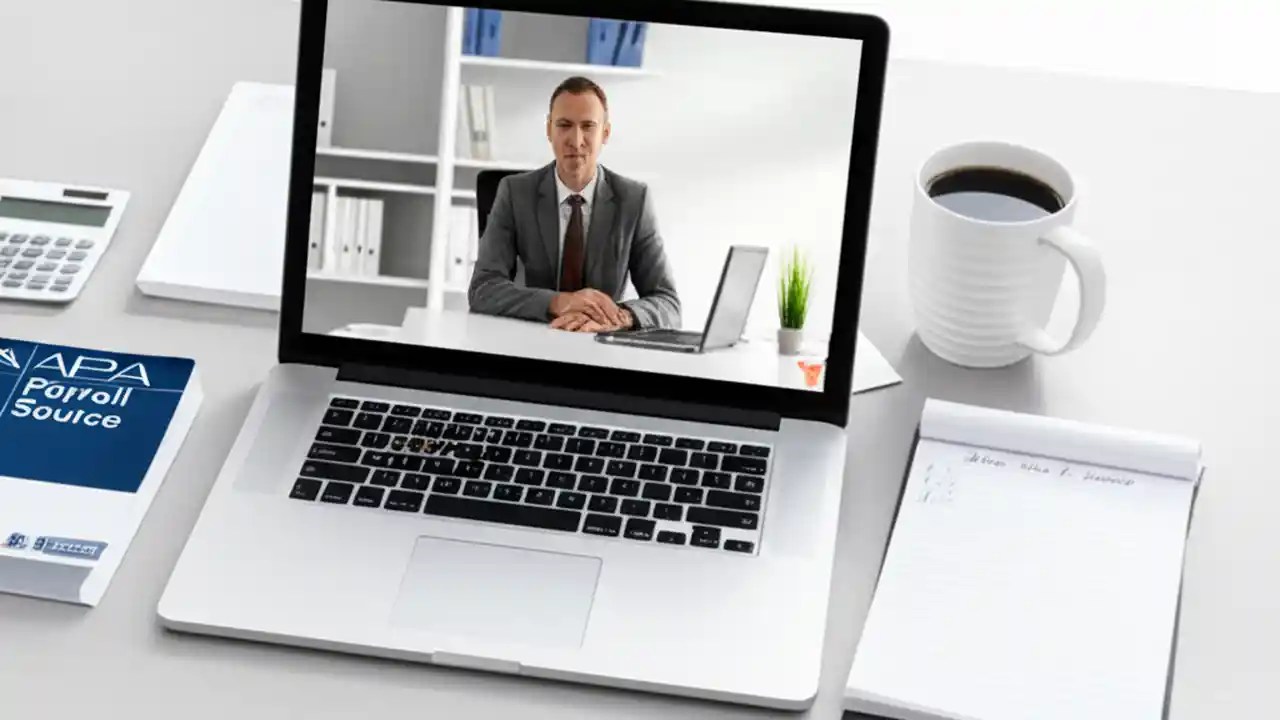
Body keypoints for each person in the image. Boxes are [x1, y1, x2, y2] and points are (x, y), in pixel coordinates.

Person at [467, 76, 681, 332]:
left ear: (605, 133)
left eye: (588, 126)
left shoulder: (634, 200)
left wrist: (619, 317)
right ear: (549, 130)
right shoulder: (515, 193)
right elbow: (483, 289)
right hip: (533, 336)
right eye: (564, 125)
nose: (576, 140)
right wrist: (559, 302)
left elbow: (668, 304)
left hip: (600, 341)